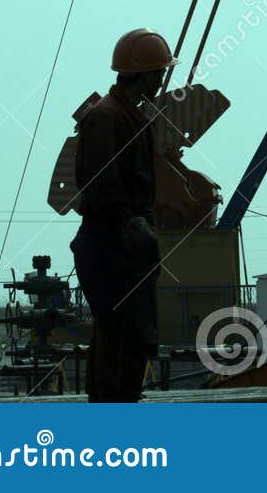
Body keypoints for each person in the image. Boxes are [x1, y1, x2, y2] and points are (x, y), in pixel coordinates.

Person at [69, 28, 170, 402]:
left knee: (128, 336)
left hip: (124, 245)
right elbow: (100, 182)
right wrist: (129, 221)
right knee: (119, 335)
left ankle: (118, 406)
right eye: (158, 73)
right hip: (109, 245)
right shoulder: (107, 119)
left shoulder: (129, 117)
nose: (161, 79)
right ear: (142, 75)